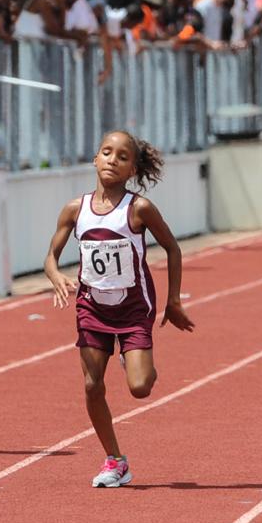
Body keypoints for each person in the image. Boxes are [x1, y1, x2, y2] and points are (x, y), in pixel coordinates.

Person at [44, 131, 195, 487]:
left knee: (140, 387)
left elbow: (173, 249)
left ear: (132, 169)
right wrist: (56, 276)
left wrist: (173, 301)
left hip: (132, 310)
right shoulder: (74, 209)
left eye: (122, 156)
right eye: (106, 152)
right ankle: (115, 459)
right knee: (92, 384)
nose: (112, 160)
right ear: (95, 159)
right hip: (92, 308)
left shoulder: (138, 208)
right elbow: (50, 256)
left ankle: (133, 356)